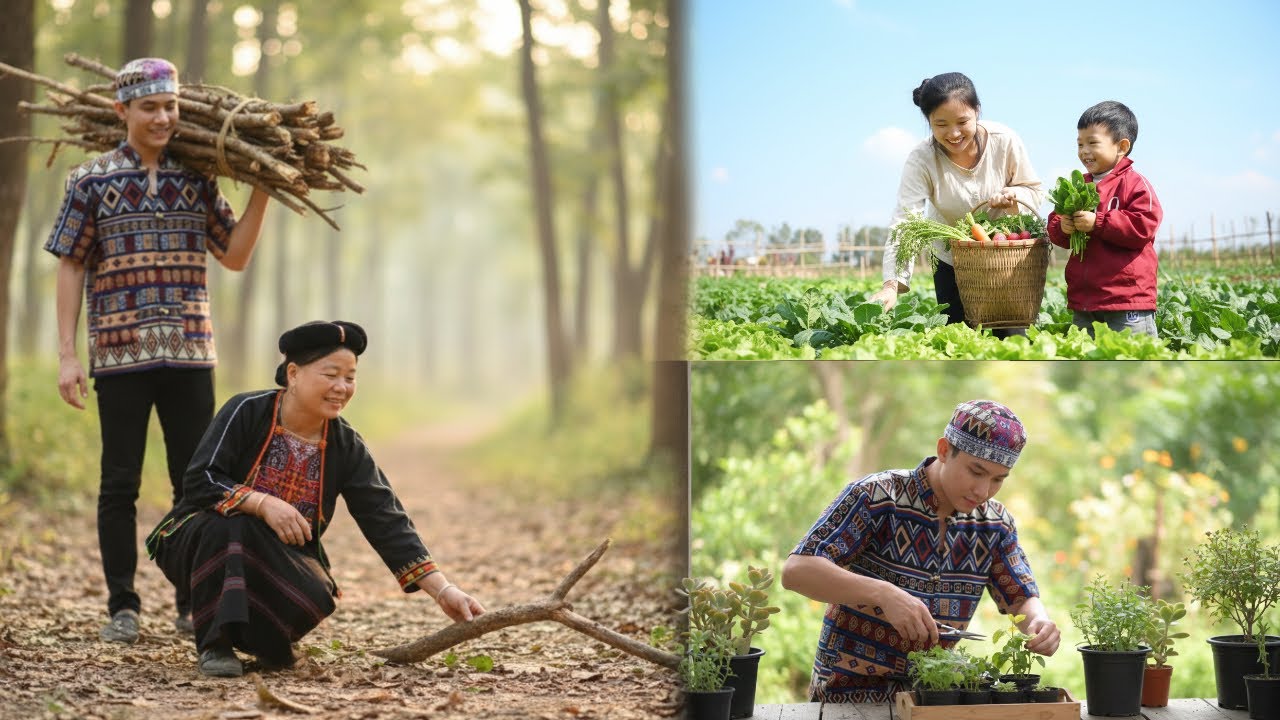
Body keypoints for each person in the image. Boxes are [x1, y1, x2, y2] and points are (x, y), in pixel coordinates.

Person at [45, 57, 270, 644]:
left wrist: (264, 194)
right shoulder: (90, 179)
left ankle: (190, 601)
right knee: (119, 482)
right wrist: (67, 354)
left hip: (192, 354)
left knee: (195, 485)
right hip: (119, 355)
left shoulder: (197, 176)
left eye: (170, 106)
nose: (163, 117)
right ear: (123, 110)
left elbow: (235, 255)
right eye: (150, 107)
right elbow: (70, 264)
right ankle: (123, 604)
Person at [145, 320, 485, 678]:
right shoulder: (247, 410)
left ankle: (265, 641)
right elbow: (200, 479)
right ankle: (214, 644)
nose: (342, 387)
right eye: (331, 374)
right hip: (200, 541)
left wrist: (443, 590)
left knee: (318, 592)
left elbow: (385, 517)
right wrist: (261, 503)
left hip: (280, 557)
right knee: (231, 527)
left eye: (350, 377)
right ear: (293, 373)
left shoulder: (346, 444)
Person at [781, 400, 1060, 703]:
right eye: (976, 471)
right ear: (943, 450)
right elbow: (797, 571)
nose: (983, 491)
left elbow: (1021, 597)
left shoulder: (996, 524)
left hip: (934, 698)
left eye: (997, 479)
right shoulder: (876, 496)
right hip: (847, 699)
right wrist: (883, 594)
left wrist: (1039, 623)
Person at [871, 72, 1045, 331]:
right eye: (941, 124)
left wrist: (1014, 196)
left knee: (1012, 337)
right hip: (952, 260)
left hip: (1006, 258)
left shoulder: (1004, 141)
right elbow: (906, 221)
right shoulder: (922, 159)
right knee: (959, 337)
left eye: (963, 121)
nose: (953, 133)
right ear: (929, 121)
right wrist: (891, 284)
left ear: (977, 111)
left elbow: (1033, 190)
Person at [1047, 101, 1163, 338]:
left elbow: (1144, 226)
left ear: (1121, 147)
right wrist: (1063, 227)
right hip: (1085, 300)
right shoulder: (1079, 185)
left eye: (1092, 143)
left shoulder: (1135, 184)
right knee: (1088, 364)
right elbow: (1055, 225)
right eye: (1080, 144)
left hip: (1127, 299)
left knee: (1132, 360)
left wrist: (1098, 222)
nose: (1084, 151)